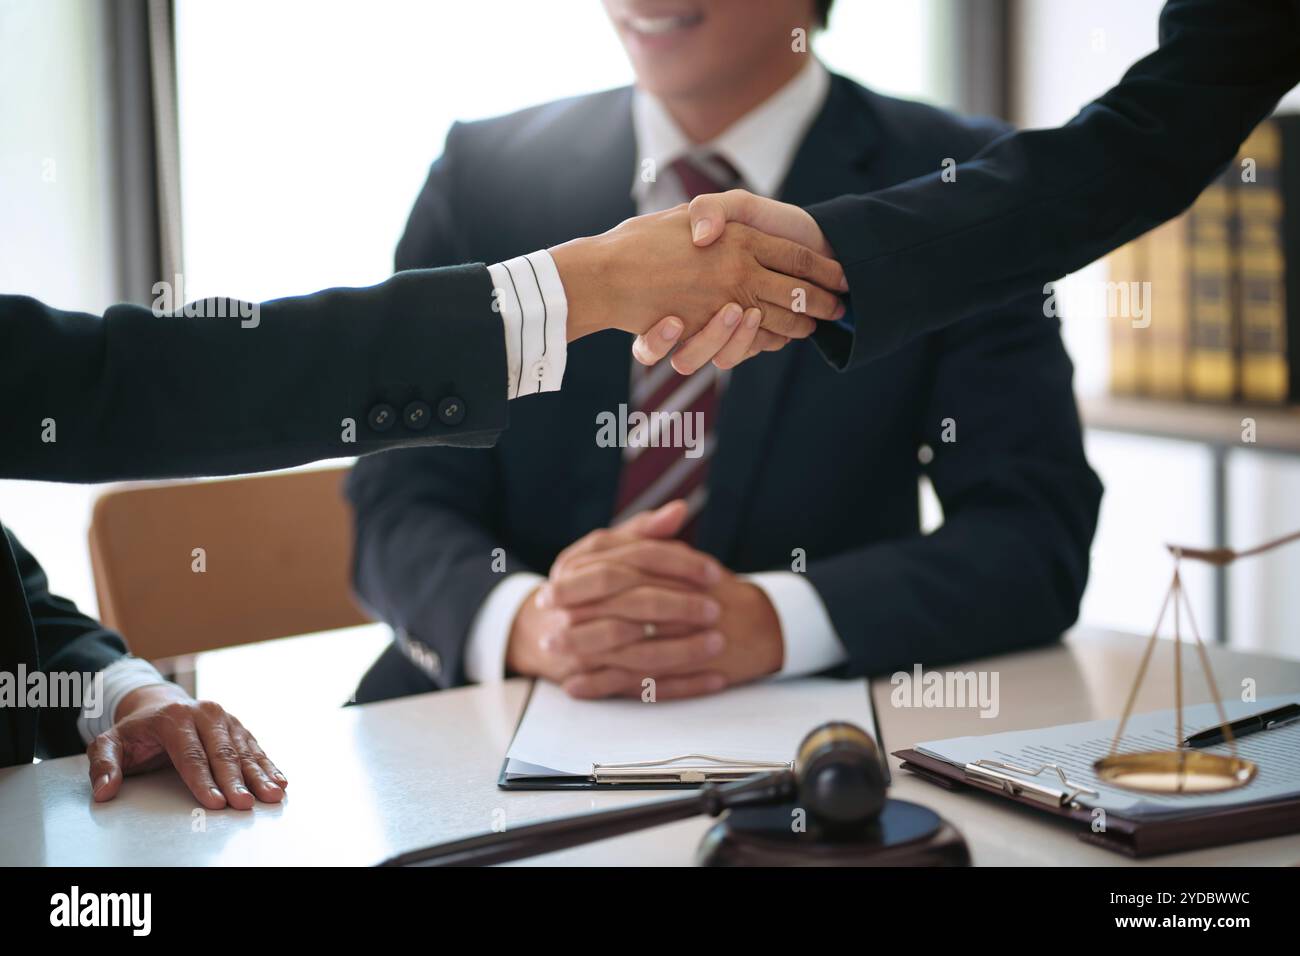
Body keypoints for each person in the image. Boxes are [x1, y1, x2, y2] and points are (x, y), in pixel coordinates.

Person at [344, 0, 1102, 703]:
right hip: (488, 718)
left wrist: (773, 621)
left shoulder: (957, 185)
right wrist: (530, 620)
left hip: (820, 738)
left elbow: (1034, 535)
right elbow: (397, 494)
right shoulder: (482, 177)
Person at [0, 189, 845, 801]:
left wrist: (115, 688)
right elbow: (135, 385)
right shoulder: (493, 167)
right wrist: (582, 287)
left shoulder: (895, 193)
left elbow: (18, 588)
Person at [639, 0, 1300, 369]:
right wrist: (838, 250)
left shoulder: (942, 150)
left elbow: (1031, 527)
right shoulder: (537, 167)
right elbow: (1171, 122)